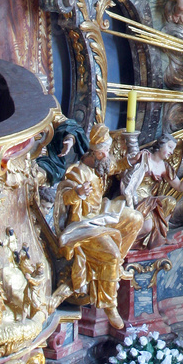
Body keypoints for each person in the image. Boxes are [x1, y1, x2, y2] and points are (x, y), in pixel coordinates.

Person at [53, 124, 142, 329]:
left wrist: (130, 161)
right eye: (108, 151)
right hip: (83, 225)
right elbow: (63, 195)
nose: (109, 155)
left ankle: (114, 267)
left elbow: (114, 166)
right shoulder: (78, 172)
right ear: (100, 153)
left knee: (135, 218)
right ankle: (109, 304)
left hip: (101, 214)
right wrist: (77, 193)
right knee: (110, 253)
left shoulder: (100, 165)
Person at [121, 135, 183, 248]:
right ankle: (123, 240)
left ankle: (162, 236)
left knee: (171, 201)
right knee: (147, 226)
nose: (171, 152)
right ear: (160, 144)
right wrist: (133, 159)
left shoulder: (165, 167)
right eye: (169, 147)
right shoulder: (144, 156)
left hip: (148, 200)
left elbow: (179, 187)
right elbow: (125, 168)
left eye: (173, 150)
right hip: (136, 197)